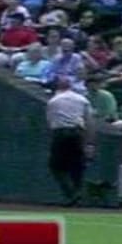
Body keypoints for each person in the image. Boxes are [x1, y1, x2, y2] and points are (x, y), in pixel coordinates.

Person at [45, 76, 92, 205]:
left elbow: (50, 122)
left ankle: (71, 193)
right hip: (77, 132)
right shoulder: (82, 99)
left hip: (60, 133)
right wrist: (89, 143)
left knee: (55, 166)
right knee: (77, 166)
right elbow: (89, 122)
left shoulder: (53, 101)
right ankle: (78, 193)